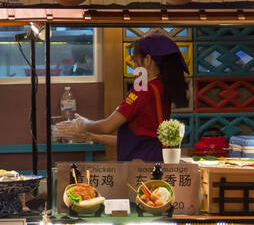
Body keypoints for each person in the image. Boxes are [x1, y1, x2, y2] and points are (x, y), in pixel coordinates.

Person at [58, 32, 188, 161]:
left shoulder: (142, 89)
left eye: (135, 61)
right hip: (156, 160)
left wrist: (84, 124)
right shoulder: (161, 87)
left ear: (147, 60)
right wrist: (92, 136)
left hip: (141, 165)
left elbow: (107, 126)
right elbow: (137, 140)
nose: (134, 66)